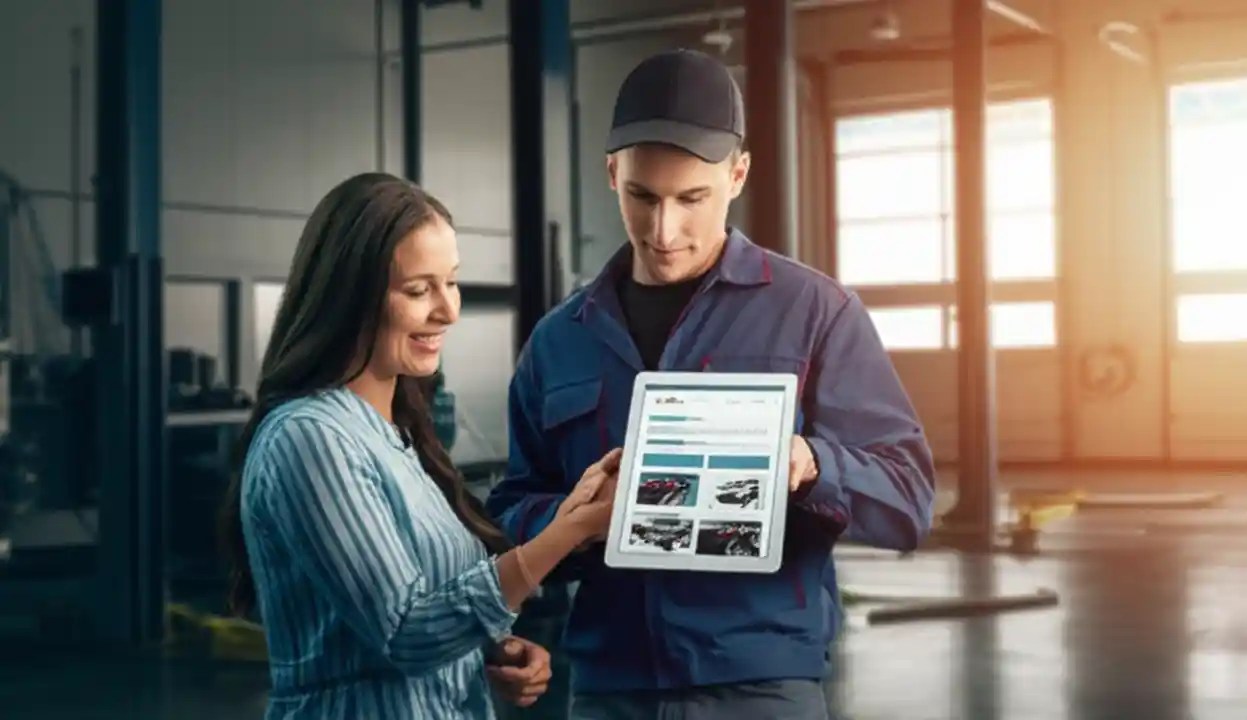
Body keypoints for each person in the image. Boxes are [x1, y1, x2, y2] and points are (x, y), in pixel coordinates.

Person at [485, 49, 937, 719]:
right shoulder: (559, 342)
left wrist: (812, 465)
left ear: (738, 174)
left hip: (760, 686)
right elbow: (509, 512)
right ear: (612, 174)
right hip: (611, 689)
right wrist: (572, 520)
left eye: (691, 198)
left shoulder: (816, 314)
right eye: (642, 196)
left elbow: (908, 502)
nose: (663, 232)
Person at [218, 172, 621, 720]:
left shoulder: (395, 436)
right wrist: (567, 533)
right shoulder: (310, 439)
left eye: (450, 282)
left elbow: (416, 621)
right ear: (350, 298)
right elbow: (405, 631)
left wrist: (486, 651)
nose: (448, 309)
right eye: (418, 289)